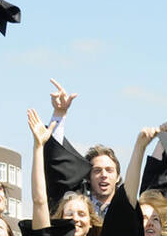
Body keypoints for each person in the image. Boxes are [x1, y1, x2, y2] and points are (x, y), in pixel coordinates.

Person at [39, 81, 121, 218]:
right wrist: (59, 114)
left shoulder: (130, 211)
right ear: (88, 177)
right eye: (97, 170)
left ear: (118, 177)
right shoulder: (75, 209)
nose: (103, 175)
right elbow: (57, 167)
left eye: (109, 170)